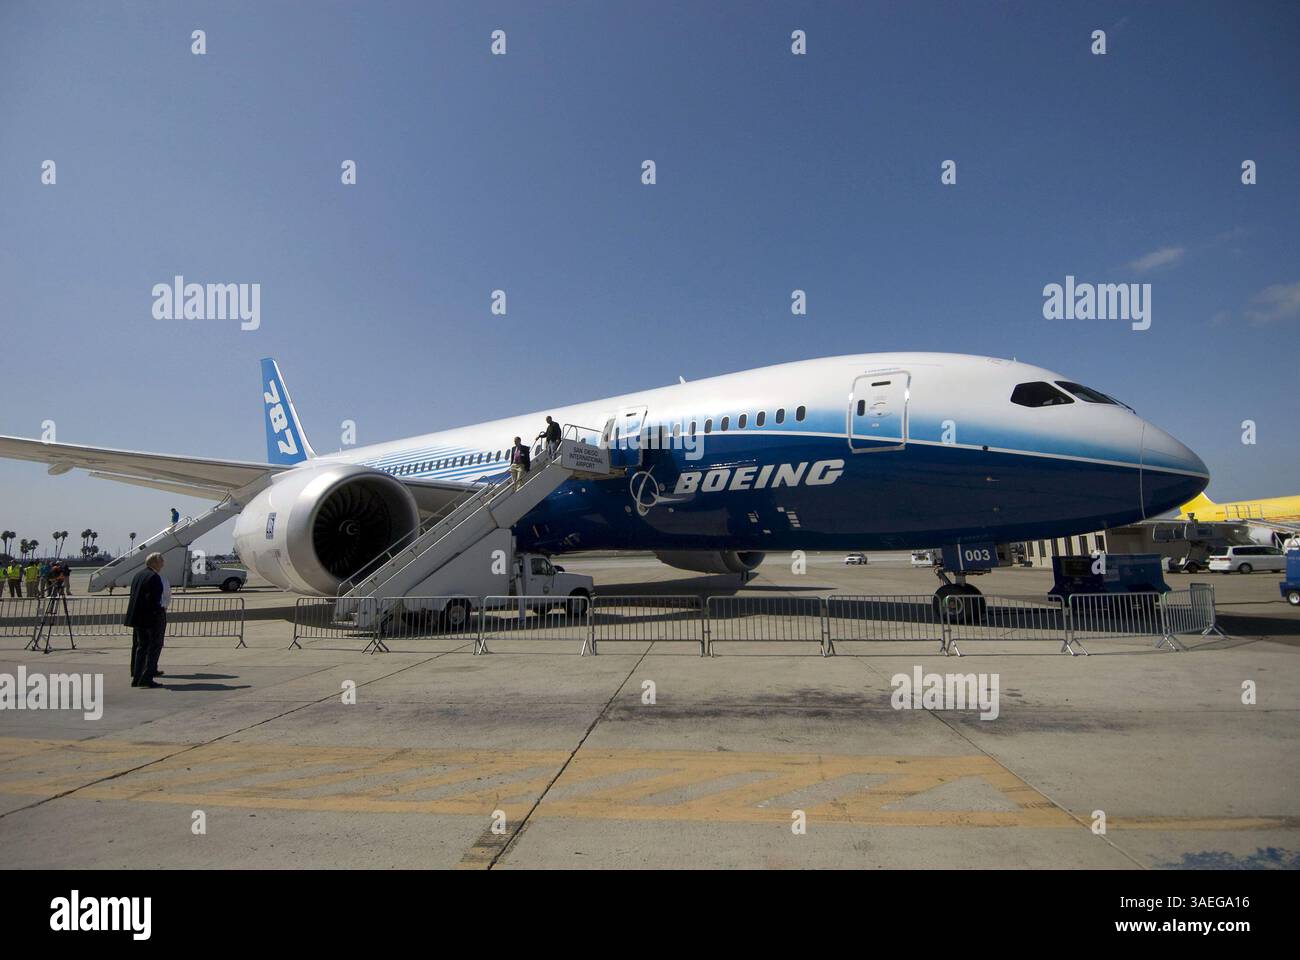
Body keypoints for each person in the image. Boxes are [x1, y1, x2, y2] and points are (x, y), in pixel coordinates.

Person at [124, 552, 167, 688]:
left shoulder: (139, 575)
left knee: (141, 648)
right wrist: (160, 611)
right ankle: (147, 677)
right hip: (151, 618)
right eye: (161, 561)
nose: (163, 564)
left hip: (137, 617)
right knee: (154, 647)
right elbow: (153, 599)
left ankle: (137, 678)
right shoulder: (154, 577)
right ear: (155, 562)